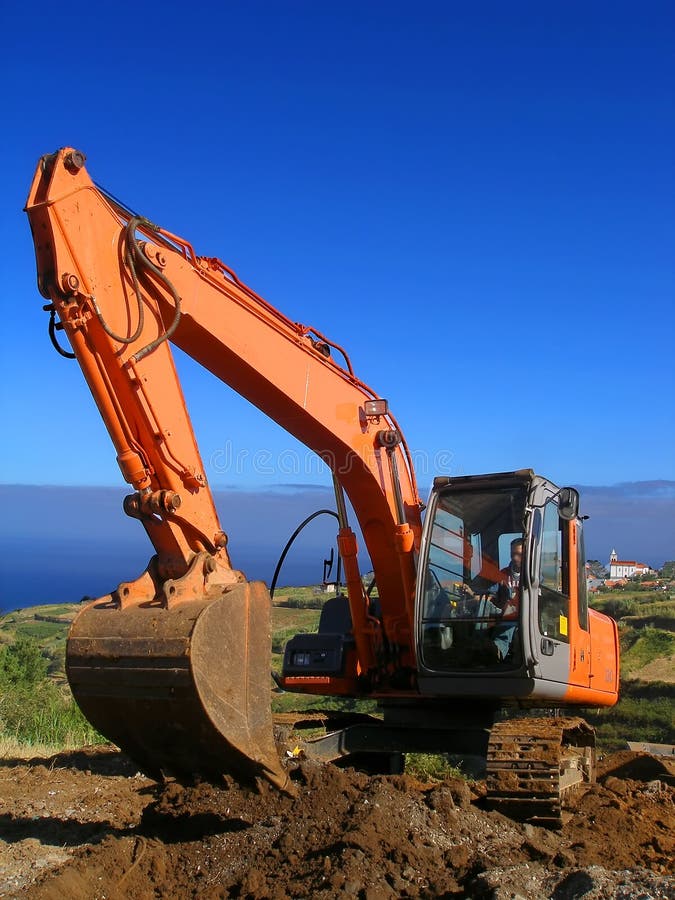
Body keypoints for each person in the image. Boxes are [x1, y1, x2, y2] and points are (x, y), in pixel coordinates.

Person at [490, 538, 523, 661]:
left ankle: (498, 648)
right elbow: (491, 594)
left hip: (525, 616)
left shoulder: (534, 575)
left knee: (511, 612)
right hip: (504, 612)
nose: (515, 558)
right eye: (513, 554)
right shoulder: (503, 574)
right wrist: (473, 595)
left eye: (519, 554)